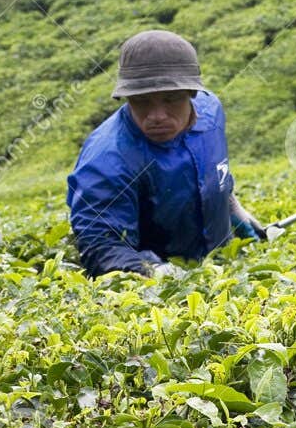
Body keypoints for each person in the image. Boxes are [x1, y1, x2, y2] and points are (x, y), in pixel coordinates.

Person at [67, 30, 267, 278]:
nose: (157, 116)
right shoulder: (106, 159)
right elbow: (101, 245)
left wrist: (232, 206)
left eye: (170, 99)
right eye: (142, 101)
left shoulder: (211, 111)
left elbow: (216, 167)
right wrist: (157, 272)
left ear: (191, 93)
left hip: (222, 268)